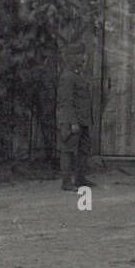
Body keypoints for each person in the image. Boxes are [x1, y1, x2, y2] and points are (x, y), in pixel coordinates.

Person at [56, 42, 95, 191]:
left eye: (83, 54)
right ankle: (66, 182)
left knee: (84, 149)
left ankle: (80, 178)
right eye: (79, 55)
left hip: (83, 120)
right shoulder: (67, 77)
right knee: (68, 150)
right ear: (71, 58)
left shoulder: (78, 75)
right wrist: (72, 123)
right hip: (72, 121)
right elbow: (66, 102)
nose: (83, 58)